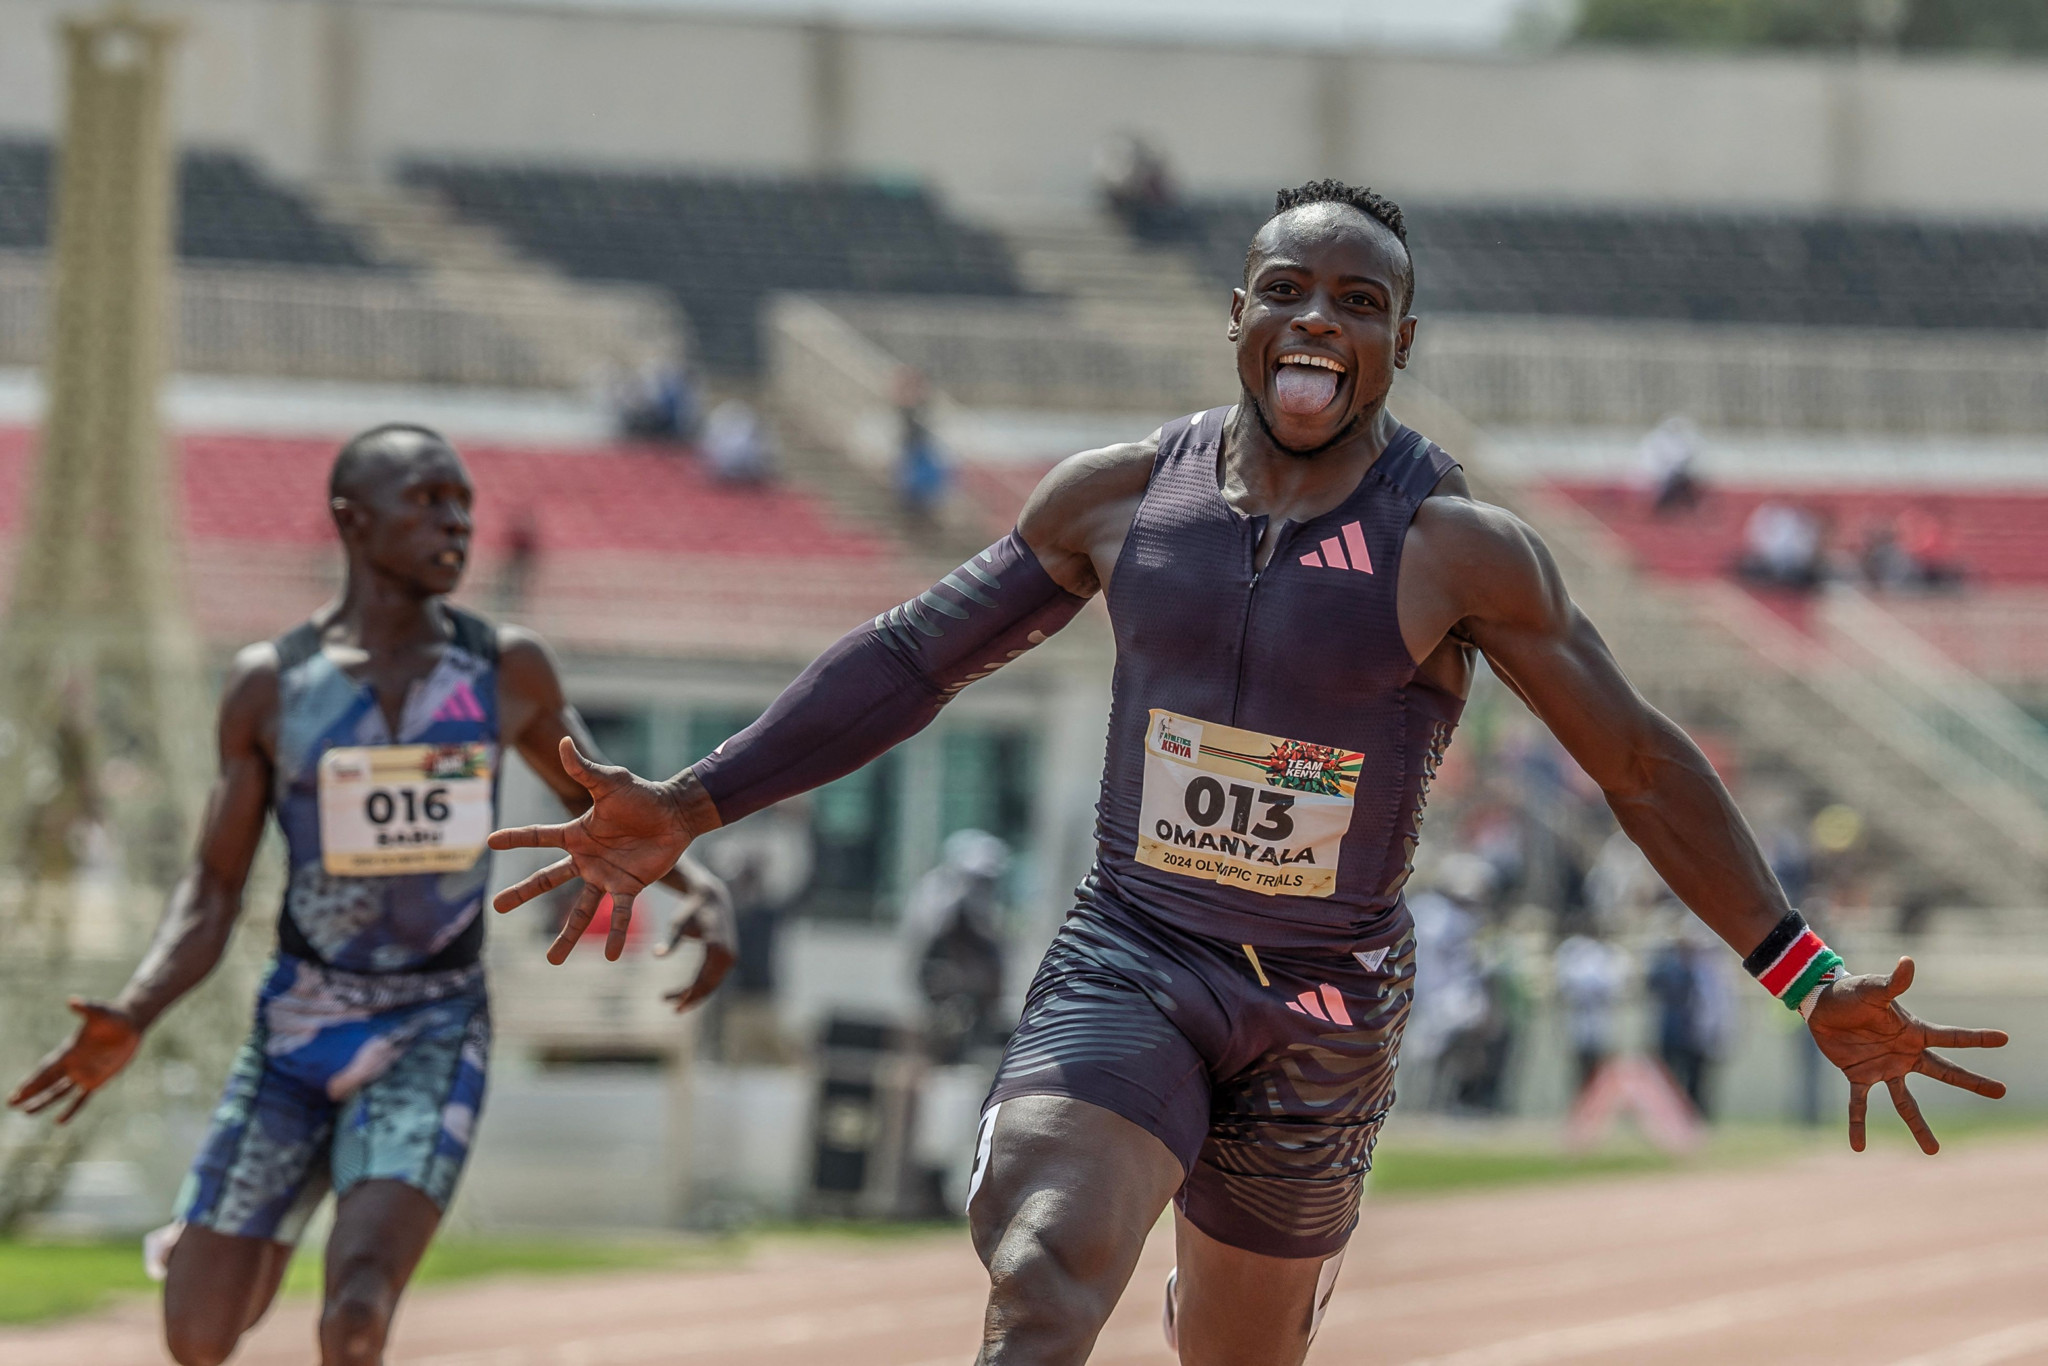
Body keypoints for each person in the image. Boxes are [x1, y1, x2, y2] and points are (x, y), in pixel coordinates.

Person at [485, 182, 2007, 1366]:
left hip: (1324, 1008)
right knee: (1042, 1278)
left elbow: (1639, 764)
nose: (1315, 321)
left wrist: (1805, 972)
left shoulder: (1458, 550)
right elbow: (911, 658)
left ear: (1400, 342)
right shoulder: (1116, 499)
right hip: (1135, 954)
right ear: (1236, 314)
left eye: (1359, 301)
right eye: (1286, 290)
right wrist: (691, 801)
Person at [6, 425, 734, 1366]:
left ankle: (349, 1224)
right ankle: (262, 1208)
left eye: (463, 503)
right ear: (352, 521)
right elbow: (214, 887)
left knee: (355, 1312)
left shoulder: (505, 669)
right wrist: (138, 1010)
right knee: (196, 1335)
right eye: (428, 500)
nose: (457, 523)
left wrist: (697, 884)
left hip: (432, 1025)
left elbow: (610, 811)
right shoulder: (272, 686)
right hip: (296, 1031)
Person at [1554, 926, 1626, 1096]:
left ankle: (1598, 1097)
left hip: (1600, 1016)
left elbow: (1611, 986)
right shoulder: (1573, 954)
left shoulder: (1606, 955)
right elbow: (1569, 985)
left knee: (1600, 1062)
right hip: (1579, 1016)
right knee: (1580, 1062)